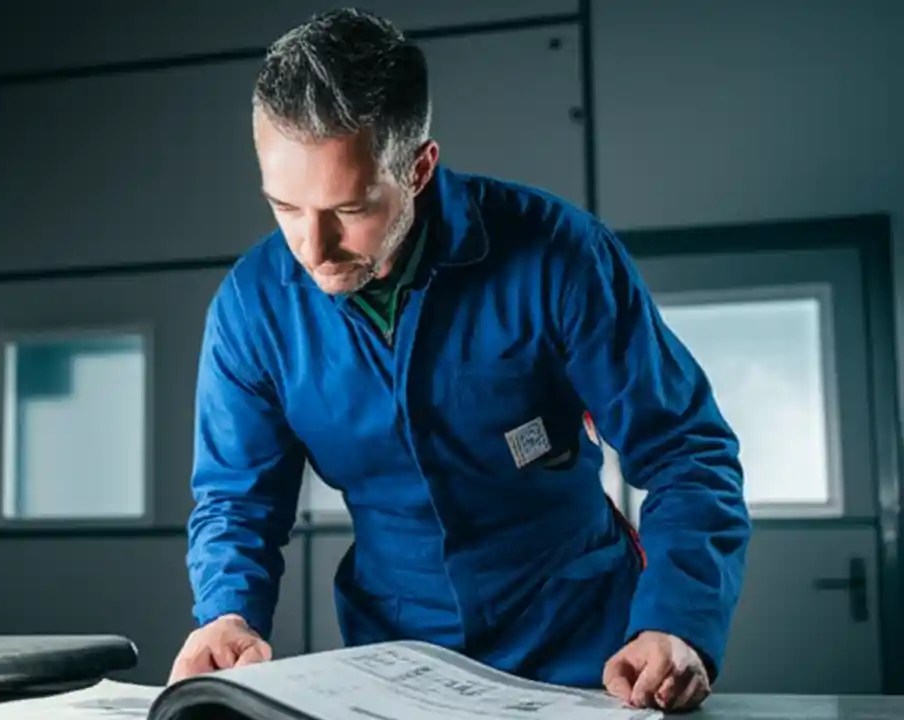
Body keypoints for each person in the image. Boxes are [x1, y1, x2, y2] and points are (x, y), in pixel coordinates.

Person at [170, 8, 750, 713]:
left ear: (418, 168)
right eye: (285, 207)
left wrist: (675, 621)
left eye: (348, 209)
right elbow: (237, 501)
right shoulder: (251, 308)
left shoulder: (561, 258)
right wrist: (227, 612)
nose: (312, 249)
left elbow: (686, 452)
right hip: (393, 664)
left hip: (589, 653)